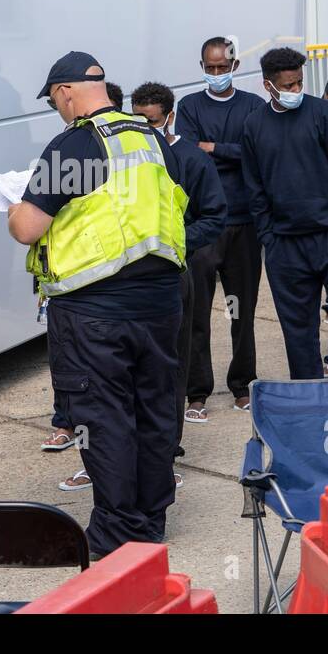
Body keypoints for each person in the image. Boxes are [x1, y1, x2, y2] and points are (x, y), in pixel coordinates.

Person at [9, 52, 187, 558]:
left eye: (55, 102)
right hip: (159, 304)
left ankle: (114, 533)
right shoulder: (152, 139)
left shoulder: (75, 145)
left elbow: (27, 227)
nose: (58, 110)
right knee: (153, 412)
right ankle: (151, 522)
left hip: (95, 313)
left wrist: (15, 213)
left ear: (65, 92)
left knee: (103, 418)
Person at [242, 47, 328, 381]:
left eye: (299, 82)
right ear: (268, 86)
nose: (295, 90)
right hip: (283, 245)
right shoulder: (254, 124)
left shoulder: (323, 114)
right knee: (298, 330)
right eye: (287, 85)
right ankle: (310, 397)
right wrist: (268, 237)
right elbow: (254, 186)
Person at [130, 82, 226, 485]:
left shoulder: (189, 159)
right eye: (137, 121)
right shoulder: (124, 159)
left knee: (172, 365)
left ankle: (166, 451)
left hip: (175, 270)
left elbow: (215, 215)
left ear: (169, 117)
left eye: (151, 122)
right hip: (130, 279)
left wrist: (174, 242)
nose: (144, 129)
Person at [176, 37, 264, 420]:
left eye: (221, 67)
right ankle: (197, 392)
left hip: (245, 222)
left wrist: (218, 149)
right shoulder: (189, 106)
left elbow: (258, 152)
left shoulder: (254, 106)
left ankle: (243, 385)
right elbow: (192, 152)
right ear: (201, 66)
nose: (216, 74)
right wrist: (224, 149)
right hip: (204, 224)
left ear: (235, 64)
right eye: (209, 68)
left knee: (241, 311)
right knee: (197, 312)